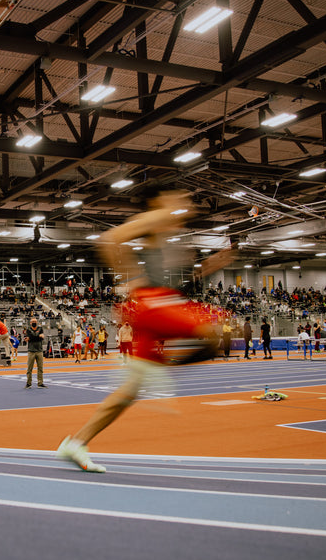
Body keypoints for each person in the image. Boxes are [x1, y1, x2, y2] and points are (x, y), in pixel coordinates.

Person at [56, 190, 226, 473]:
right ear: (161, 200)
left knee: (130, 391)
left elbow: (163, 272)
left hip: (157, 303)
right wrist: (130, 280)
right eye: (180, 199)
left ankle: (76, 442)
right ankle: (169, 365)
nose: (184, 204)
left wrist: (206, 268)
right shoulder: (155, 217)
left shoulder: (163, 229)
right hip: (151, 302)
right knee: (214, 329)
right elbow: (109, 240)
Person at [24, 317, 46, 388]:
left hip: (39, 351)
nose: (34, 322)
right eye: (32, 321)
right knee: (29, 368)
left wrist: (31, 338)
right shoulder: (28, 330)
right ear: (30, 323)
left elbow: (36, 338)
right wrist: (38, 337)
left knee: (40, 368)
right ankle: (28, 383)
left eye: (35, 321)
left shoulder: (40, 329)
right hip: (31, 351)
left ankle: (40, 383)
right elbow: (30, 337)